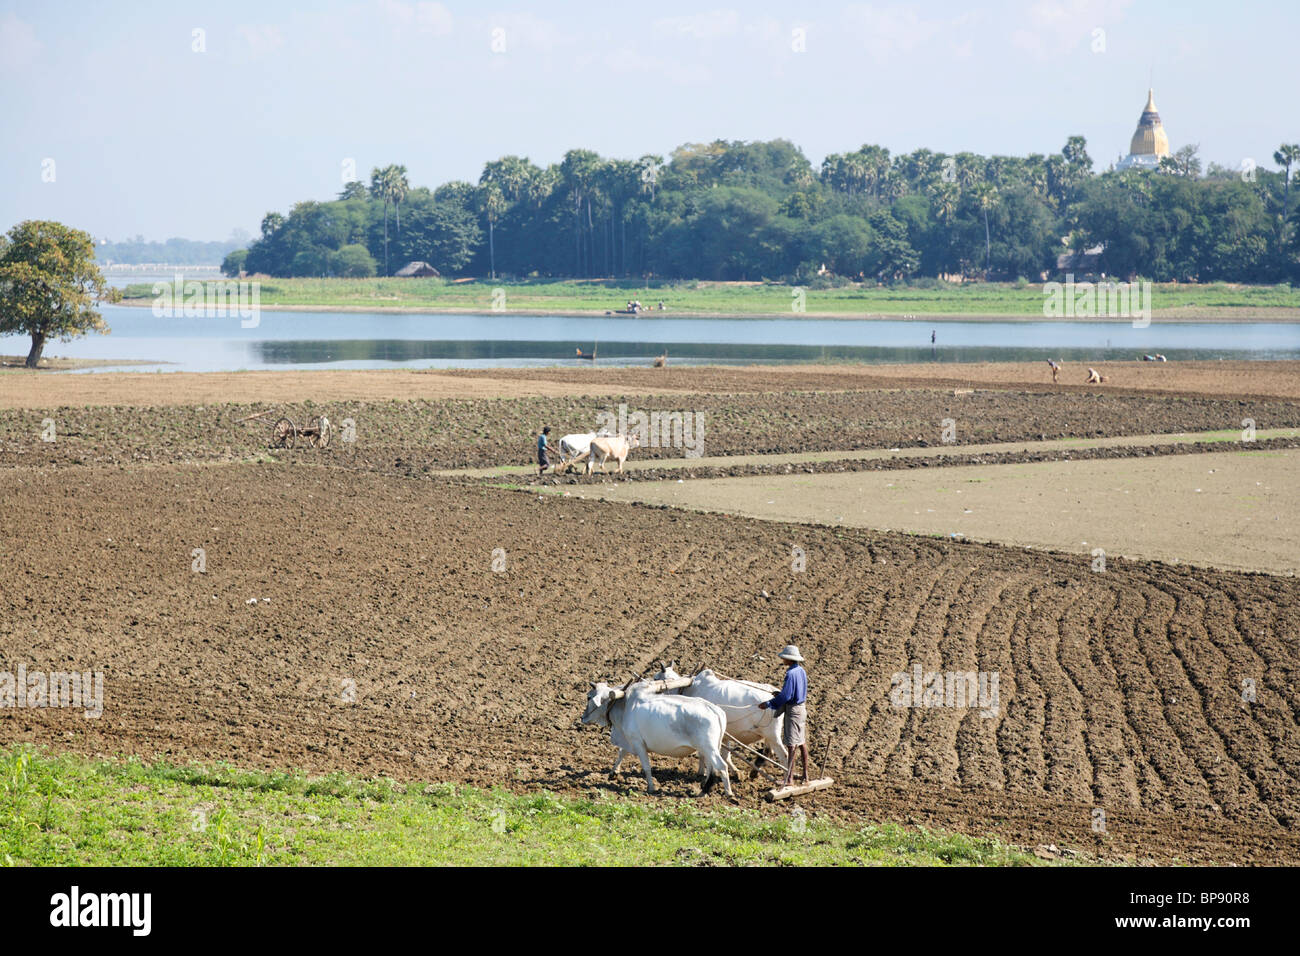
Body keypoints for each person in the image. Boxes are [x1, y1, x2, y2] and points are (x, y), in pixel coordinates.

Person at [758, 644, 809, 786]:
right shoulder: (801, 671)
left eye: (784, 658)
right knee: (801, 742)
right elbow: (792, 692)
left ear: (788, 659)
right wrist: (780, 695)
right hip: (801, 709)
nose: (783, 660)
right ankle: (805, 776)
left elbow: (786, 696)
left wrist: (768, 704)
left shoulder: (790, 674)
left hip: (792, 711)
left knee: (791, 744)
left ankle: (789, 779)